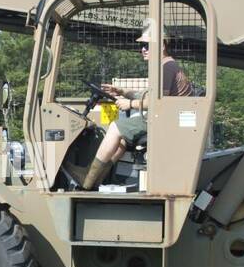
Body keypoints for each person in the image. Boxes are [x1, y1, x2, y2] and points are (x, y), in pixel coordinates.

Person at [82, 19, 196, 190]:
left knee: (115, 128)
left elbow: (157, 103)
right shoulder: (165, 66)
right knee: (121, 143)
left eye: (147, 45)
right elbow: (149, 95)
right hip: (167, 120)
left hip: (167, 122)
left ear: (162, 46)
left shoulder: (166, 68)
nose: (143, 49)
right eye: (142, 46)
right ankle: (98, 180)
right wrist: (121, 91)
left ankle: (87, 180)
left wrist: (130, 104)